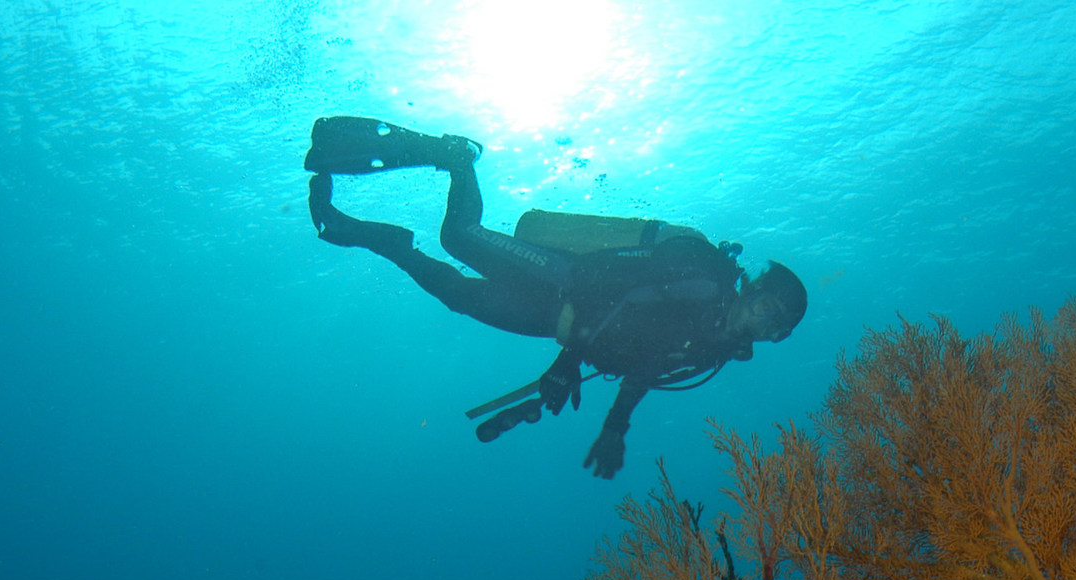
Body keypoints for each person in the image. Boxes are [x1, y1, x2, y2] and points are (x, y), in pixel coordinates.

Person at [302, 116, 807, 478]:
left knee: (454, 294)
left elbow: (645, 369)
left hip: (553, 318)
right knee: (459, 236)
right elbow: (615, 285)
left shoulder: (710, 348)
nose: (763, 326)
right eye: (766, 309)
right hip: (563, 279)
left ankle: (381, 240)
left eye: (776, 329)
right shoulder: (704, 279)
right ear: (752, 290)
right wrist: (569, 362)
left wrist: (615, 428)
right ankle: (457, 158)